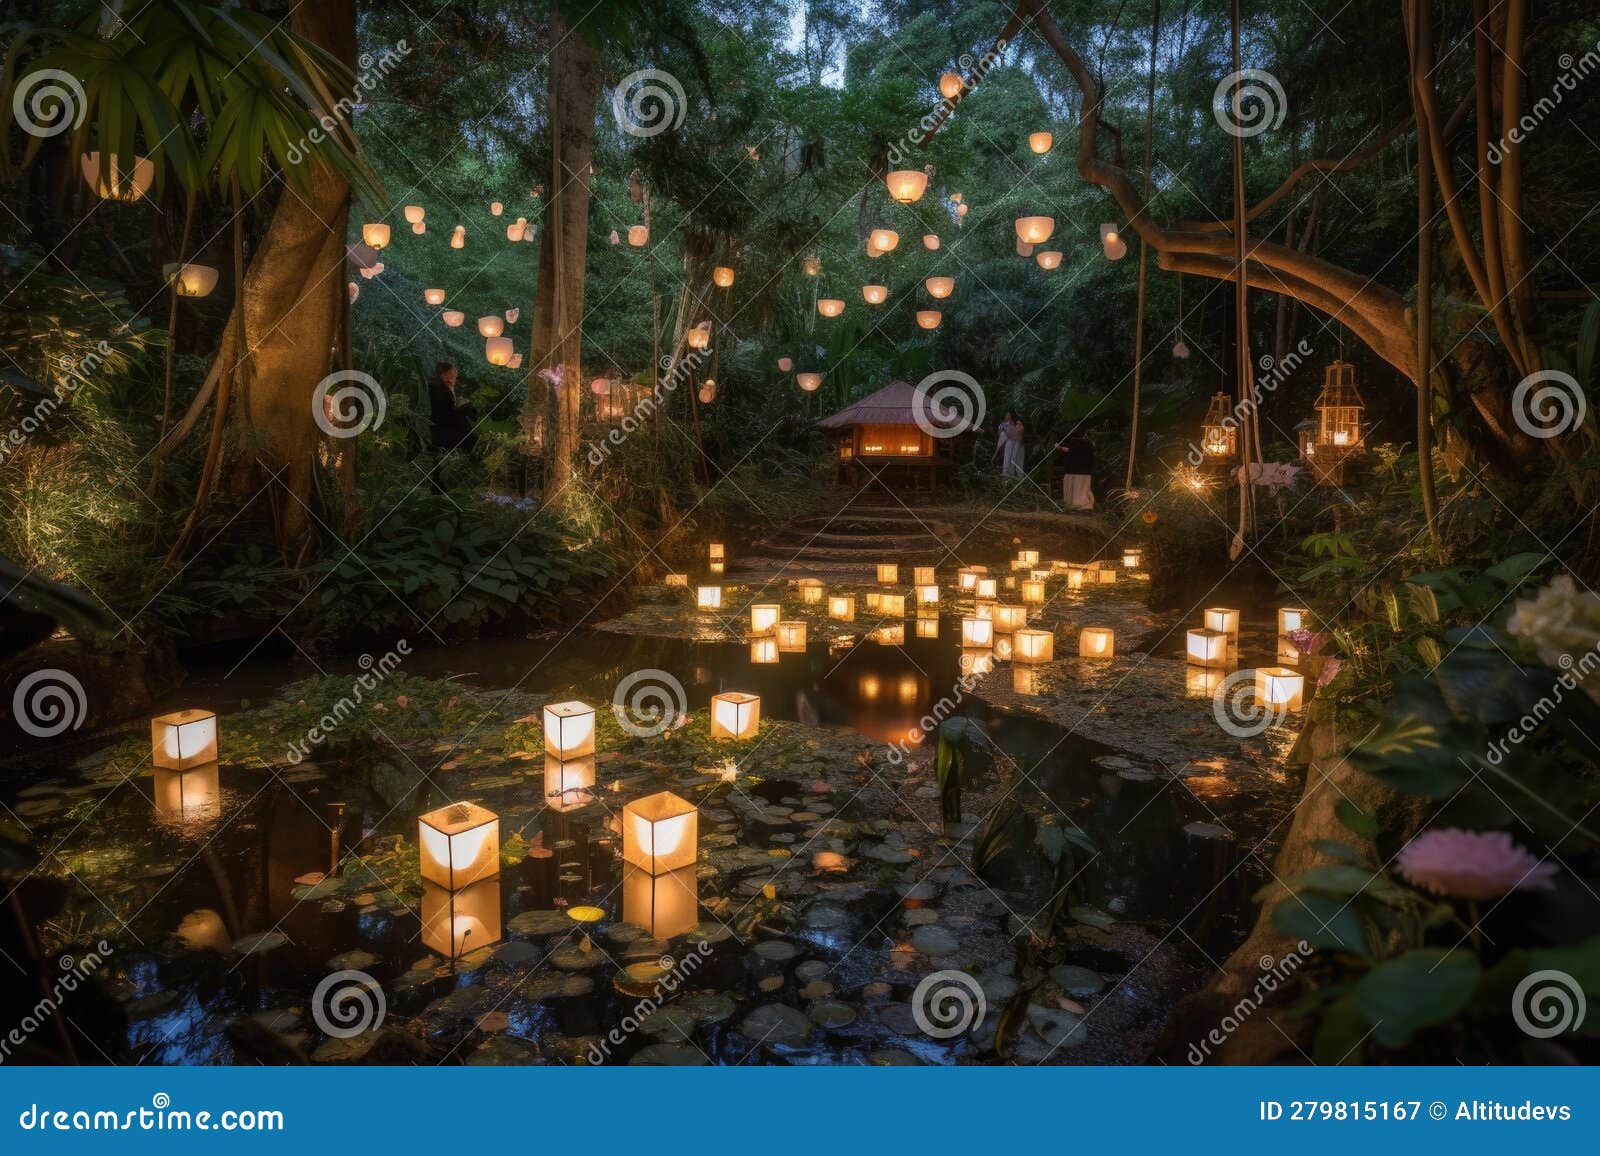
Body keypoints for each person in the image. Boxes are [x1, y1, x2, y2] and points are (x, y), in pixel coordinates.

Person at [427, 362, 478, 456]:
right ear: (445, 373)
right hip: (445, 430)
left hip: (448, 428)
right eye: (453, 374)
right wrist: (461, 407)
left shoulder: (443, 386)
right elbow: (443, 412)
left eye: (455, 376)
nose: (455, 377)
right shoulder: (437, 387)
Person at [1057, 432, 1095, 509]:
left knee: (1078, 487)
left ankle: (1078, 504)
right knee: (1079, 487)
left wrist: (1060, 448)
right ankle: (1078, 504)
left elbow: (1070, 451)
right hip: (1080, 471)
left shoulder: (1078, 443)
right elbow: (1070, 451)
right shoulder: (1086, 444)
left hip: (1077, 471)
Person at [994, 410, 1025, 479]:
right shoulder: (1002, 425)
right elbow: (1001, 436)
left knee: (1015, 460)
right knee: (1007, 460)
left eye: (1009, 414)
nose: (1008, 416)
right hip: (1008, 444)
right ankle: (1007, 476)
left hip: (1017, 444)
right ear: (1004, 416)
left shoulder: (1013, 424)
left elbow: (1018, 433)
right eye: (1007, 415)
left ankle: (1016, 476)